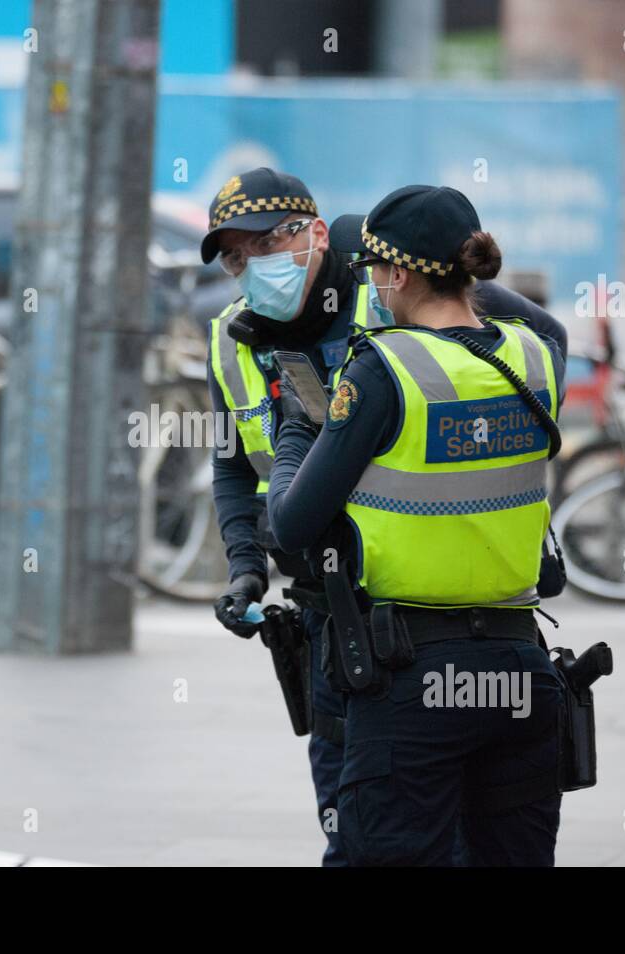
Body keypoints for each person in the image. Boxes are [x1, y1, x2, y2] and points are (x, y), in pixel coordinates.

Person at [205, 171, 567, 865]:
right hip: (351, 625)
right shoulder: (235, 339)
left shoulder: (388, 291)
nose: (249, 267)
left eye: (262, 245)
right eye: (232, 257)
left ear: (314, 234)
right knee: (357, 820)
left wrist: (302, 436)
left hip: (398, 643)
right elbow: (229, 466)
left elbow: (293, 515)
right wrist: (245, 569)